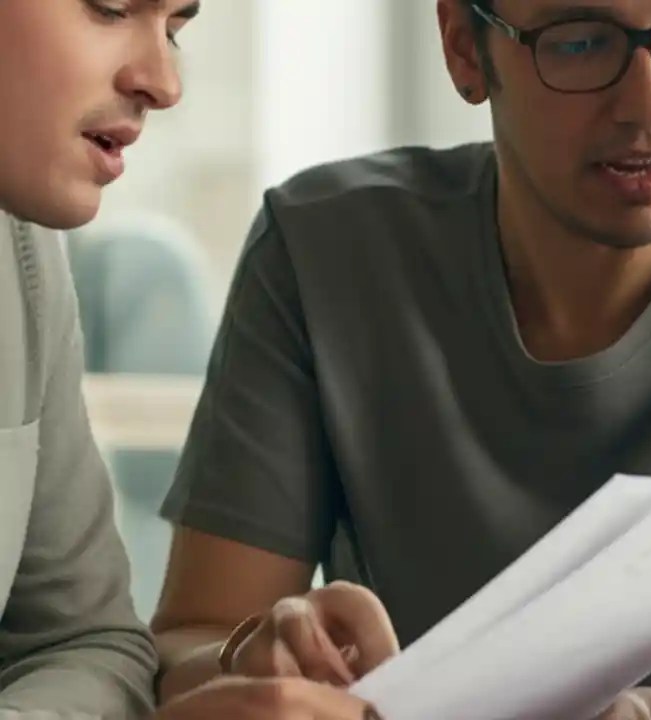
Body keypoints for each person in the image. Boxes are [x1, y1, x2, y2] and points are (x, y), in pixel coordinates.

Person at [149, 0, 651, 717]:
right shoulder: (323, 248)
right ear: (466, 48)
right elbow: (189, 643)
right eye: (579, 41)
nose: (649, 104)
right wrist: (248, 665)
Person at [0, 1, 376, 717]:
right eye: (111, 6)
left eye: (174, 28)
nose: (164, 83)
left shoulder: (23, 256)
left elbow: (84, 644)